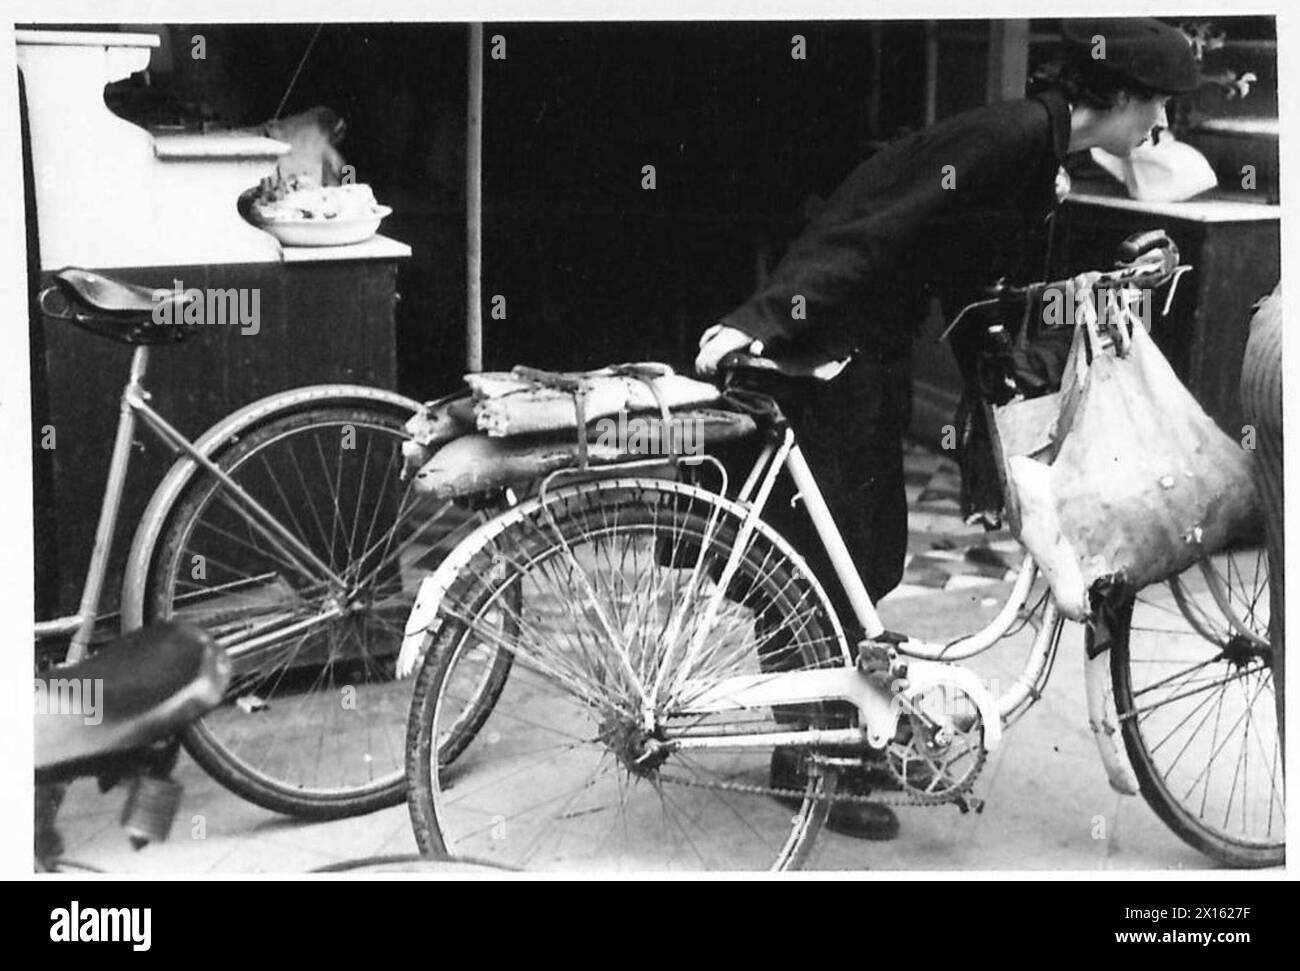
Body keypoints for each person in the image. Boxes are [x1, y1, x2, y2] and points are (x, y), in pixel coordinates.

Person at [694, 18, 1201, 840]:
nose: (1160, 127)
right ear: (1123, 96)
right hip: (831, 347)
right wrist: (766, 318)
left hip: (863, 347)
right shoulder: (1012, 138)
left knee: (864, 553)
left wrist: (993, 375)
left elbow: (969, 276)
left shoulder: (1035, 148)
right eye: (1160, 106)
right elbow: (878, 220)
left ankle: (837, 734)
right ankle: (804, 757)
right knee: (843, 560)